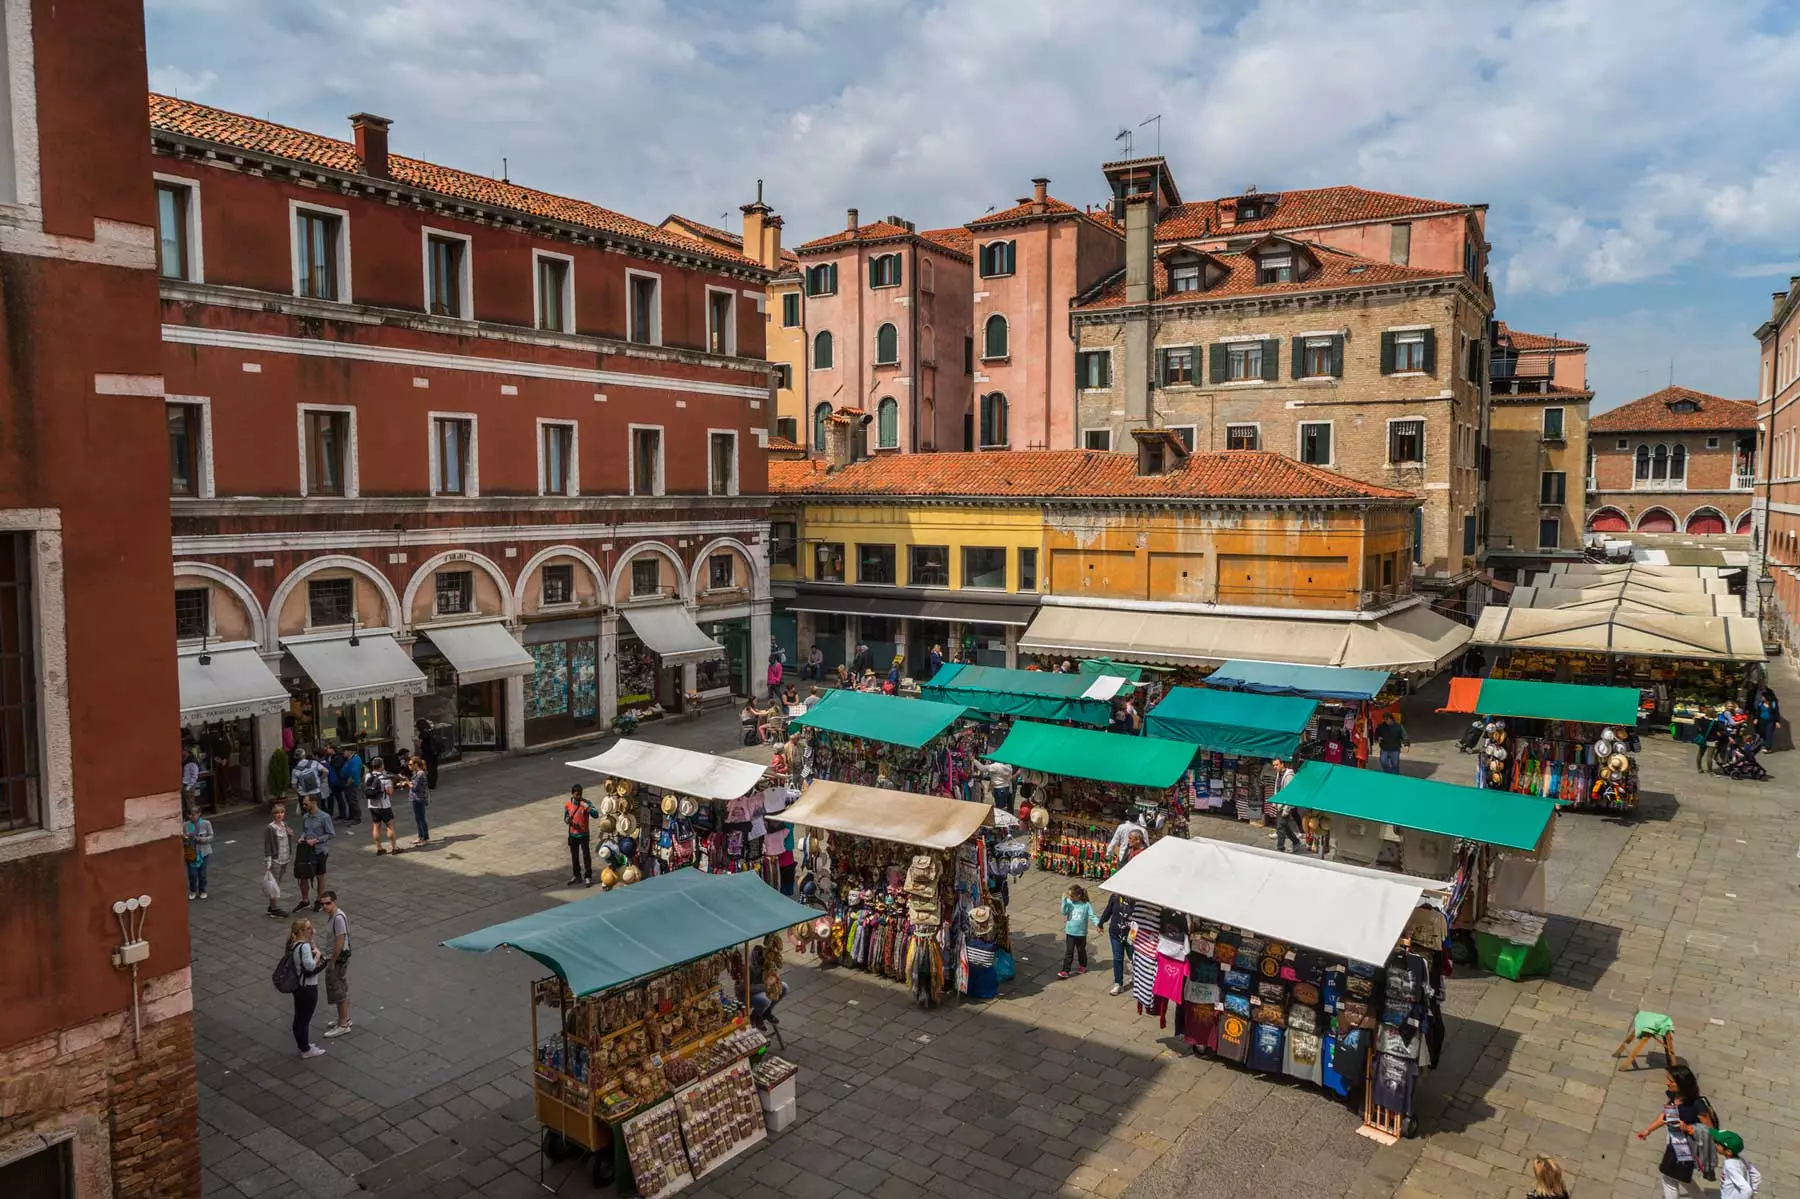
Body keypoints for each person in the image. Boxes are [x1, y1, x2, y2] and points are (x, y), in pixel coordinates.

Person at [1635, 1062, 1716, 1199]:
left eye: (1671, 1081)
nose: (1667, 1083)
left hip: (1687, 1147)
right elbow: (1666, 1116)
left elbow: (1711, 1131)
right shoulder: (1674, 1096)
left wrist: (1688, 1128)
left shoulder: (1697, 1105)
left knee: (1668, 1176)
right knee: (1680, 1176)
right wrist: (1648, 1130)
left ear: (1682, 1084)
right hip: (1674, 1142)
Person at [287, 918, 328, 1059]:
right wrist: (317, 955)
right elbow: (310, 966)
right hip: (308, 987)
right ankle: (306, 1049)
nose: (312, 930)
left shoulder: (294, 944)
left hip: (298, 987)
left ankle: (303, 1045)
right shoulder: (303, 947)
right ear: (301, 931)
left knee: (299, 1018)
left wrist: (312, 941)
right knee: (304, 1019)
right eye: (309, 928)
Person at [320, 891, 353, 1039]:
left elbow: (340, 941)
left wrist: (332, 961)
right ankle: (343, 1018)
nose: (325, 906)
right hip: (336, 959)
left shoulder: (338, 918)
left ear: (334, 902)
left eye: (328, 903)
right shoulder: (334, 916)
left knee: (338, 990)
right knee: (340, 988)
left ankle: (343, 1025)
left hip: (338, 961)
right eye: (322, 904)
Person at [296, 794, 334, 912]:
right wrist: (302, 837)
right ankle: (305, 900)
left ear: (314, 802)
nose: (304, 806)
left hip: (320, 851)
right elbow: (305, 831)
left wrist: (316, 840)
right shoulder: (306, 817)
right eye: (303, 804)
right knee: (303, 875)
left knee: (319, 876)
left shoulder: (324, 817)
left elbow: (331, 834)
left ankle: (319, 900)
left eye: (306, 803)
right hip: (307, 851)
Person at [1707, 1130, 1761, 1199]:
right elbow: (1757, 1175)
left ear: (1728, 1152)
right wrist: (1753, 1192)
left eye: (1718, 1144)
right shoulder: (1741, 1159)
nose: (1715, 1145)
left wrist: (1750, 1194)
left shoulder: (1730, 1166)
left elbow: (1747, 1190)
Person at [1058, 884, 1096, 978]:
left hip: (1081, 933)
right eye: (1069, 895)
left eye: (1071, 896)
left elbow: (1092, 915)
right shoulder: (1069, 902)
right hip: (1070, 932)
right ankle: (1065, 971)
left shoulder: (1086, 905)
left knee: (1081, 950)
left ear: (1078, 896)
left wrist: (1098, 925)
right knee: (1069, 952)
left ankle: (1083, 966)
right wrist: (1064, 901)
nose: (1069, 897)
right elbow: (1064, 912)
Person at [364, 757, 400, 855]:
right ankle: (394, 847)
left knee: (376, 826)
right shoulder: (385, 778)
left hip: (372, 805)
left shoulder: (368, 775)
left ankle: (379, 848)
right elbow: (389, 792)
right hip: (384, 805)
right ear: (382, 766)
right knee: (390, 826)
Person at [263, 803, 294, 918]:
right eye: (277, 813)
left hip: (285, 857)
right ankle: (274, 908)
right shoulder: (270, 828)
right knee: (274, 884)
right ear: (273, 814)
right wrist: (268, 862)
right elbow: (267, 846)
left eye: (281, 812)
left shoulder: (284, 824)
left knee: (278, 882)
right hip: (276, 859)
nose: (279, 815)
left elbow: (288, 838)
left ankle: (272, 906)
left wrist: (290, 834)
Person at [1100, 891, 1133, 996]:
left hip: (1131, 935)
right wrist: (1101, 923)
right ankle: (1118, 983)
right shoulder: (1115, 897)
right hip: (1115, 933)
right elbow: (1108, 910)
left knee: (1134, 957)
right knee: (1117, 958)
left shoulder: (1136, 901)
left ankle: (1136, 976)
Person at [565, 783, 597, 886]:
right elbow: (565, 818)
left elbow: (596, 814)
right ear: (572, 794)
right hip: (573, 835)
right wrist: (569, 821)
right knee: (574, 856)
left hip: (584, 835)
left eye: (580, 794)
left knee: (586, 855)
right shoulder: (568, 805)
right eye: (577, 794)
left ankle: (588, 876)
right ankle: (576, 875)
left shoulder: (586, 803)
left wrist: (588, 808)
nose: (579, 797)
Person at [181, 802, 214, 900]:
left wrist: (201, 839)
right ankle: (193, 890)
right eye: (190, 814)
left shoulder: (206, 824)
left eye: (194, 814)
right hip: (191, 853)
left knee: (202, 874)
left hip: (203, 852)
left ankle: (202, 890)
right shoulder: (186, 825)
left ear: (199, 814)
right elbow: (183, 839)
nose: (192, 816)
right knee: (192, 874)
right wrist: (186, 840)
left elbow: (211, 836)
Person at [1271, 758, 1305, 853]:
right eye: (1274, 765)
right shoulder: (1279, 774)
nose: (1275, 767)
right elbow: (1277, 788)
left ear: (1282, 764)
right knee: (1284, 826)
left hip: (1286, 805)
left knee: (1280, 826)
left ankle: (1280, 847)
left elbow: (1290, 794)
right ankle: (1296, 842)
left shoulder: (1289, 776)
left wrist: (1286, 810)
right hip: (1279, 804)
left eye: (1276, 765)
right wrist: (1275, 802)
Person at [407, 754, 432, 847]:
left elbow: (415, 788)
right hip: (416, 799)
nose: (409, 766)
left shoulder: (420, 774)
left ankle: (425, 838)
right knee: (418, 818)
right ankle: (420, 836)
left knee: (421, 819)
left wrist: (407, 782)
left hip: (419, 799)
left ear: (416, 764)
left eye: (410, 764)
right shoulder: (417, 773)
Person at [415, 718, 441, 789]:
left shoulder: (424, 732)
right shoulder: (431, 730)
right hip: (435, 752)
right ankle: (432, 784)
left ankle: (426, 783)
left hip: (428, 753)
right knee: (433, 768)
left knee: (426, 768)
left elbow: (422, 739)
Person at [341, 745, 365, 824]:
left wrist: (349, 781)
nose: (344, 753)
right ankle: (352, 816)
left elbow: (354, 772)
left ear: (350, 751)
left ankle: (357, 818)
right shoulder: (349, 759)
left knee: (353, 800)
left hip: (351, 782)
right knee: (349, 800)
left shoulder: (355, 760)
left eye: (345, 751)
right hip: (347, 780)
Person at [1754, 687, 1782, 752]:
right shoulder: (1761, 703)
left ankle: (1768, 748)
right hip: (1762, 721)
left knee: (1768, 733)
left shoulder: (1773, 704)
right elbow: (1758, 711)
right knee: (1763, 733)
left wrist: (1777, 721)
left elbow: (1776, 713)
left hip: (1770, 721)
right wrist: (1756, 719)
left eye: (1763, 697)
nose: (1762, 698)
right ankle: (1764, 743)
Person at [180, 747, 203, 813]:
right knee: (185, 803)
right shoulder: (184, 761)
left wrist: (188, 787)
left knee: (190, 804)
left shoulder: (192, 763)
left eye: (183, 751)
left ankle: (193, 817)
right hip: (184, 784)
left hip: (189, 785)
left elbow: (194, 776)